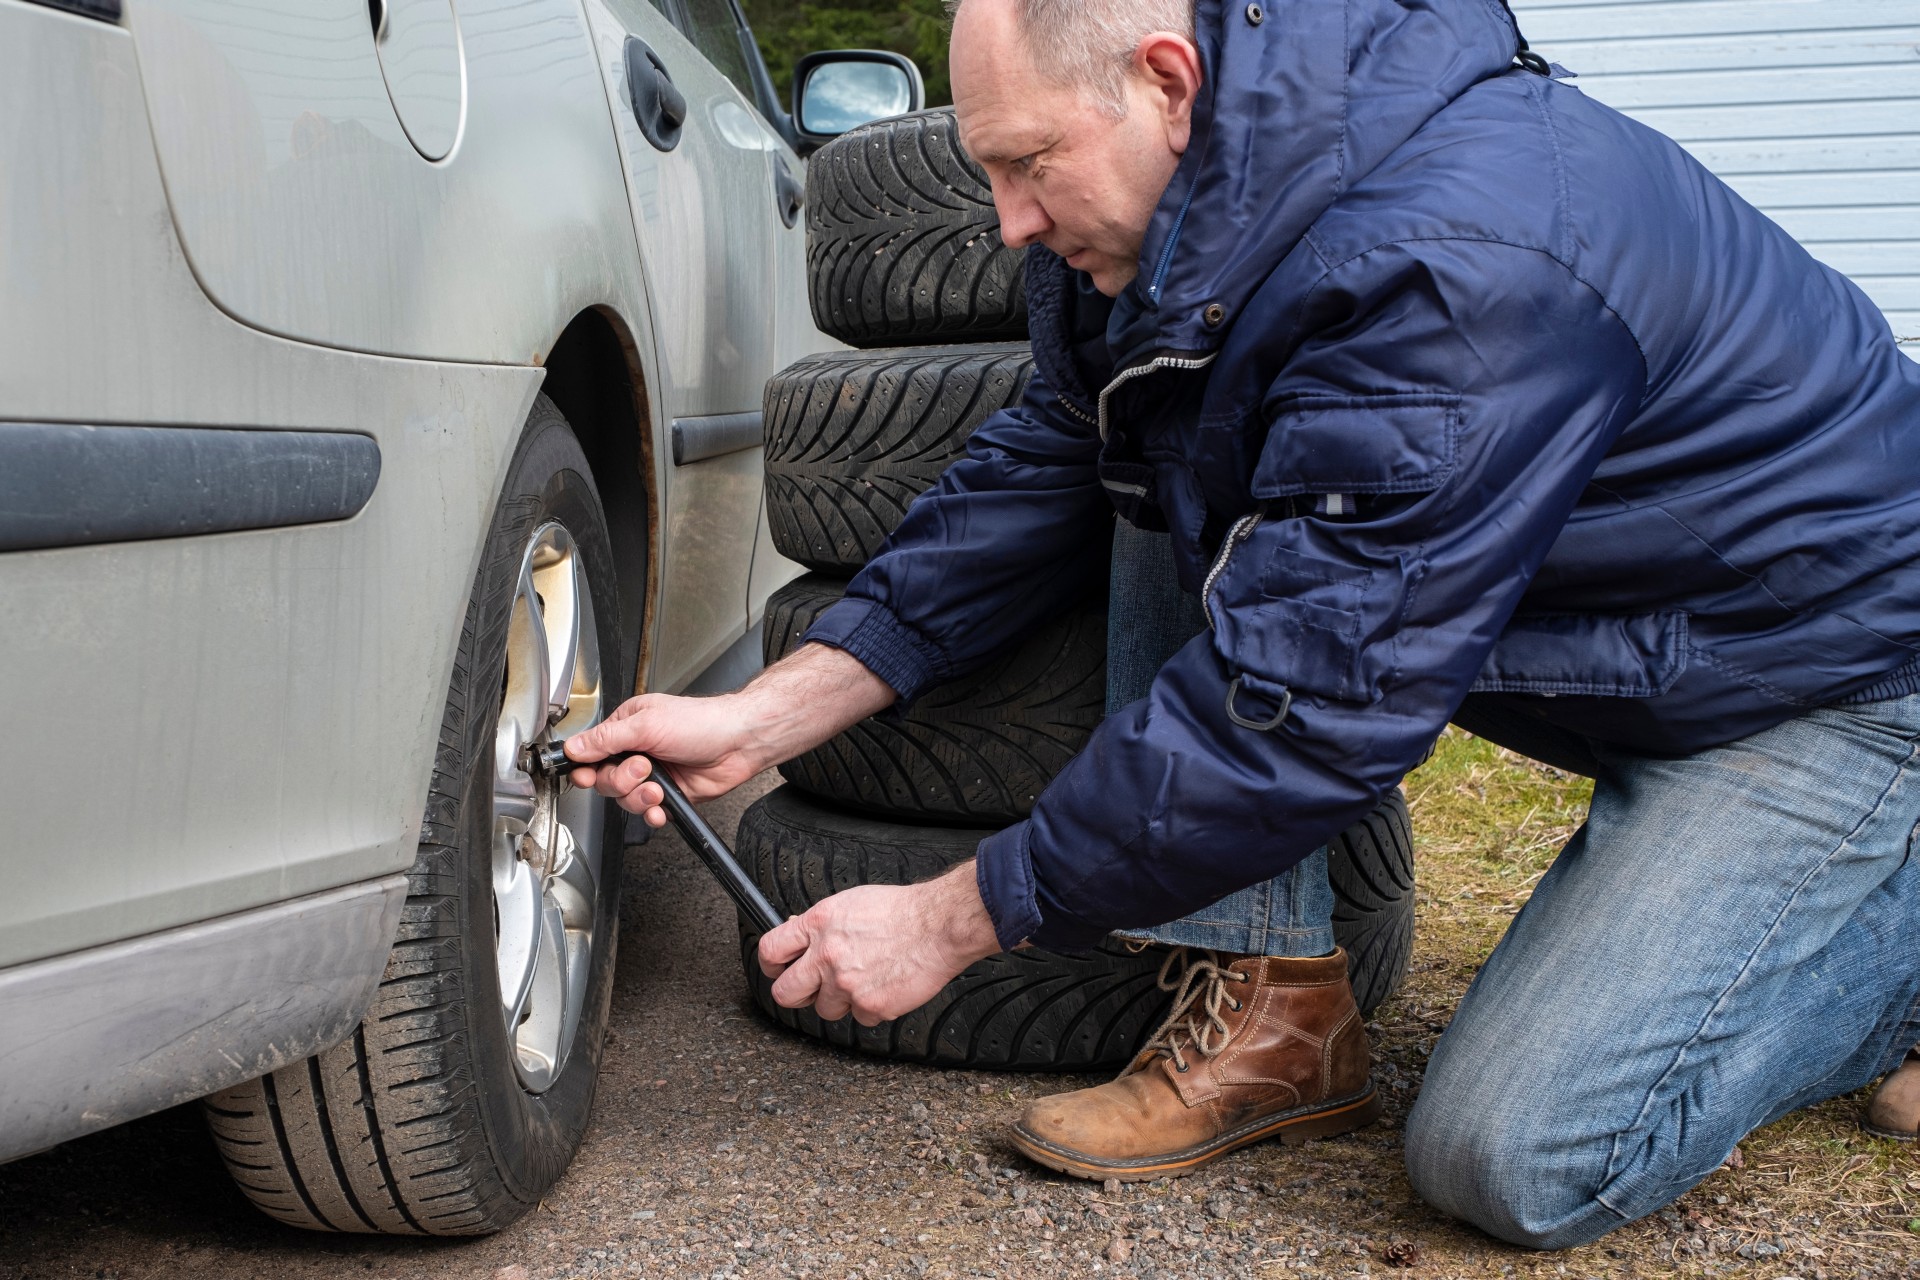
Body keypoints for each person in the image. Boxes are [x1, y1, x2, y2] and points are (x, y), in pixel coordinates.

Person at [565, 0, 1920, 1249]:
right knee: (1156, 448)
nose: (1006, 225)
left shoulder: (1453, 269)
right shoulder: (1174, 216)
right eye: (986, 171)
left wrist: (951, 920)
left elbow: (1308, 700)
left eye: (1027, 164)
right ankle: (1275, 1003)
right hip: (1616, 639)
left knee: (1518, 1155)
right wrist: (765, 712)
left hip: (1825, 673)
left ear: (1170, 82)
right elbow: (1053, 459)